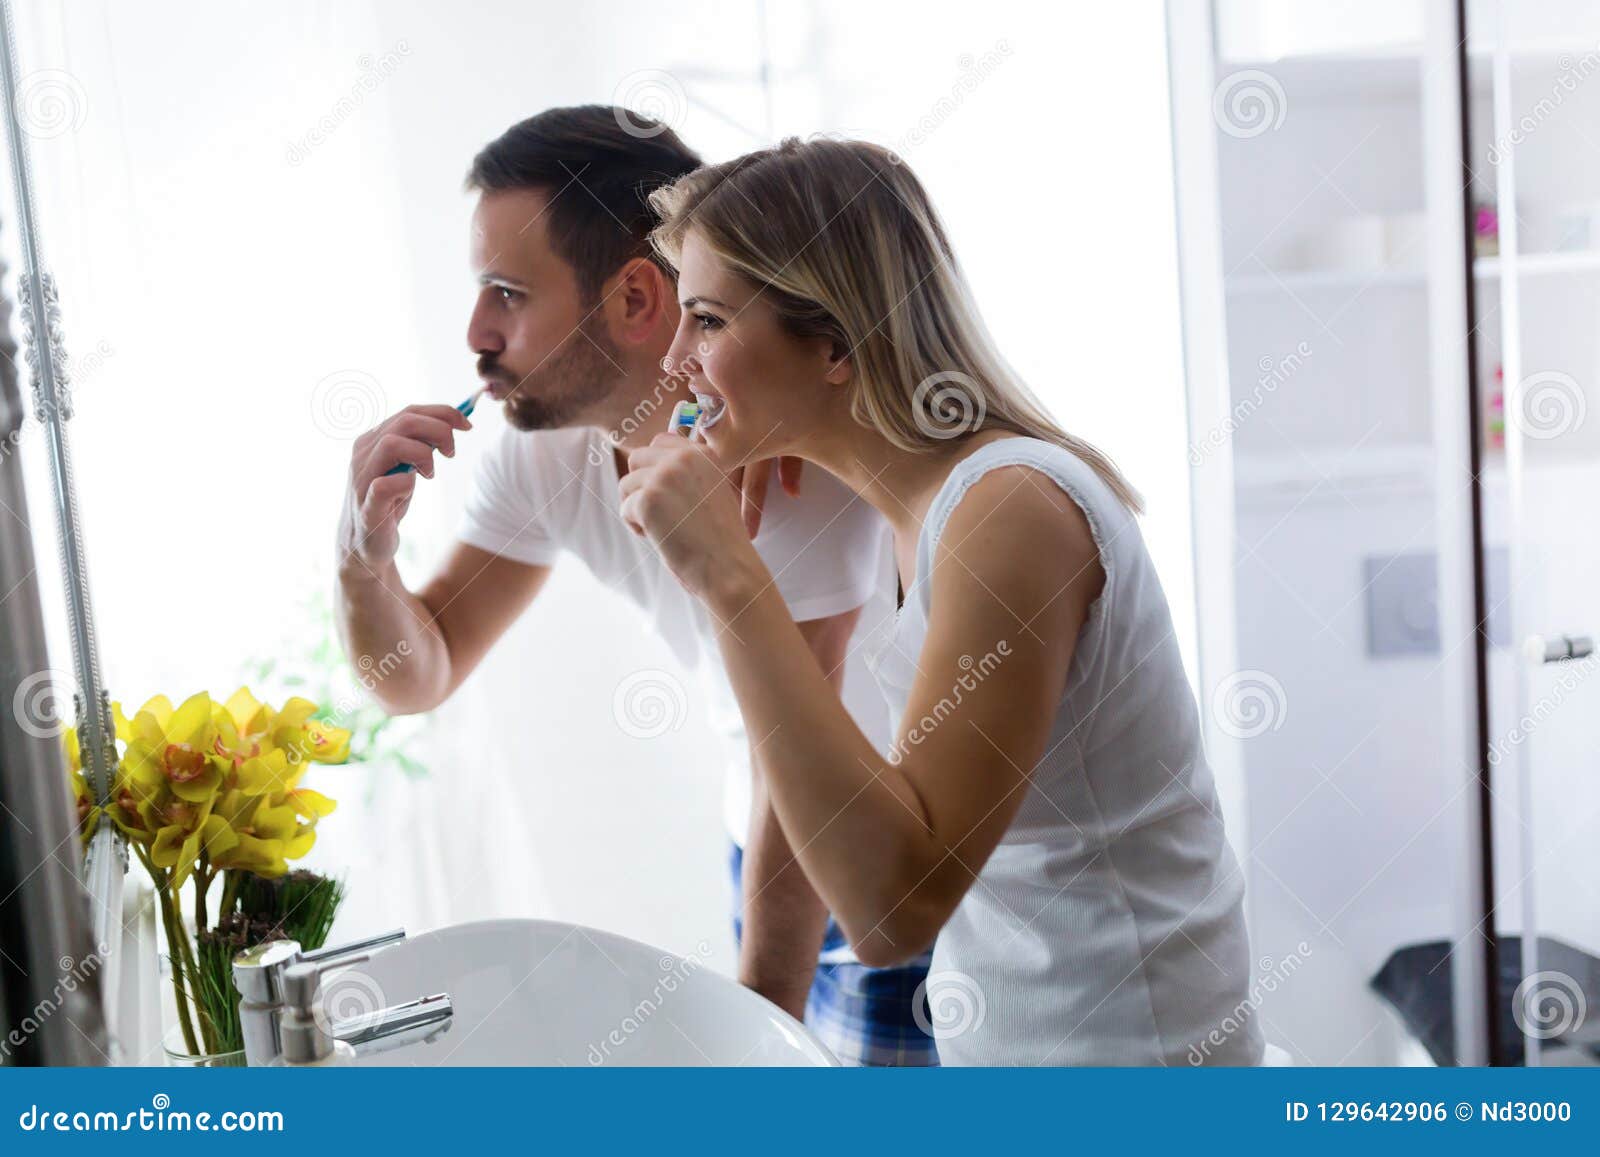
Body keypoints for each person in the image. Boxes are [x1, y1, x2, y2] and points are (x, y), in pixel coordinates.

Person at [616, 136, 1265, 1065]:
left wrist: (730, 577)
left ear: (836, 342)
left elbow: (892, 910)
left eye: (708, 320)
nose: (675, 360)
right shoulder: (914, 509)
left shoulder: (1008, 512)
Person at [334, 108, 939, 1066]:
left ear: (634, 297)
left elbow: (802, 745)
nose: (477, 332)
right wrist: (362, 559)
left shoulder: (781, 450)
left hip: (883, 864)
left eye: (507, 293)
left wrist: (752, 1037)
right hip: (764, 846)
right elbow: (419, 672)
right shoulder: (545, 452)